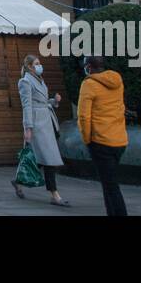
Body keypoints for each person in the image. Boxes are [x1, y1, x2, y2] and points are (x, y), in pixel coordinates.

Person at [14, 54, 69, 207]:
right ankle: (55, 194)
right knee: (48, 159)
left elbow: (42, 102)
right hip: (37, 124)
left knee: (39, 158)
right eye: (37, 63)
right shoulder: (25, 82)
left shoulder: (40, 80)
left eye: (40, 63)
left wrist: (54, 101)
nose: (40, 66)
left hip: (47, 121)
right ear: (30, 66)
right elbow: (27, 105)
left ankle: (18, 180)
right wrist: (28, 128)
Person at [77, 56, 128, 216]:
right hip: (119, 139)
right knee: (108, 184)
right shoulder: (116, 80)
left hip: (100, 141)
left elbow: (84, 116)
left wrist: (87, 139)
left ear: (89, 67)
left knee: (111, 186)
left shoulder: (89, 84)